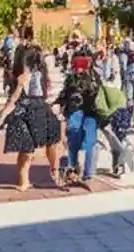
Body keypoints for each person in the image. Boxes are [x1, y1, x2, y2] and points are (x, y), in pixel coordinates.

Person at [0, 46, 63, 191]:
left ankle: (51, 172)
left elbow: (15, 97)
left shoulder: (38, 73)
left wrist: (4, 113)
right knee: (29, 148)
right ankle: (30, 179)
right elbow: (15, 96)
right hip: (31, 110)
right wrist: (4, 113)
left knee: (47, 143)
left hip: (37, 109)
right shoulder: (27, 74)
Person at [56, 53, 102, 184]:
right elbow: (65, 94)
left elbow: (66, 94)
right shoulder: (89, 78)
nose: (75, 69)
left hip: (82, 114)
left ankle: (80, 170)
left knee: (82, 143)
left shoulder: (87, 79)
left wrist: (59, 103)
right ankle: (82, 171)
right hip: (86, 114)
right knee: (85, 142)